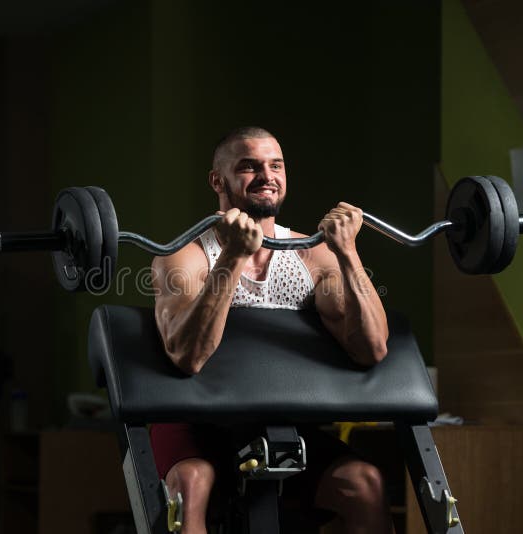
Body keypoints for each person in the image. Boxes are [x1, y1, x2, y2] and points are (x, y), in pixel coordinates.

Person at [149, 126, 392, 534]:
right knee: (191, 483)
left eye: (276, 165)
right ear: (217, 181)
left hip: (282, 424)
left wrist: (348, 253)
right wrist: (233, 256)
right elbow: (187, 356)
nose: (267, 176)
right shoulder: (183, 258)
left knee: (364, 483)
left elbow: (372, 349)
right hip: (195, 424)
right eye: (249, 166)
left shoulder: (313, 256)